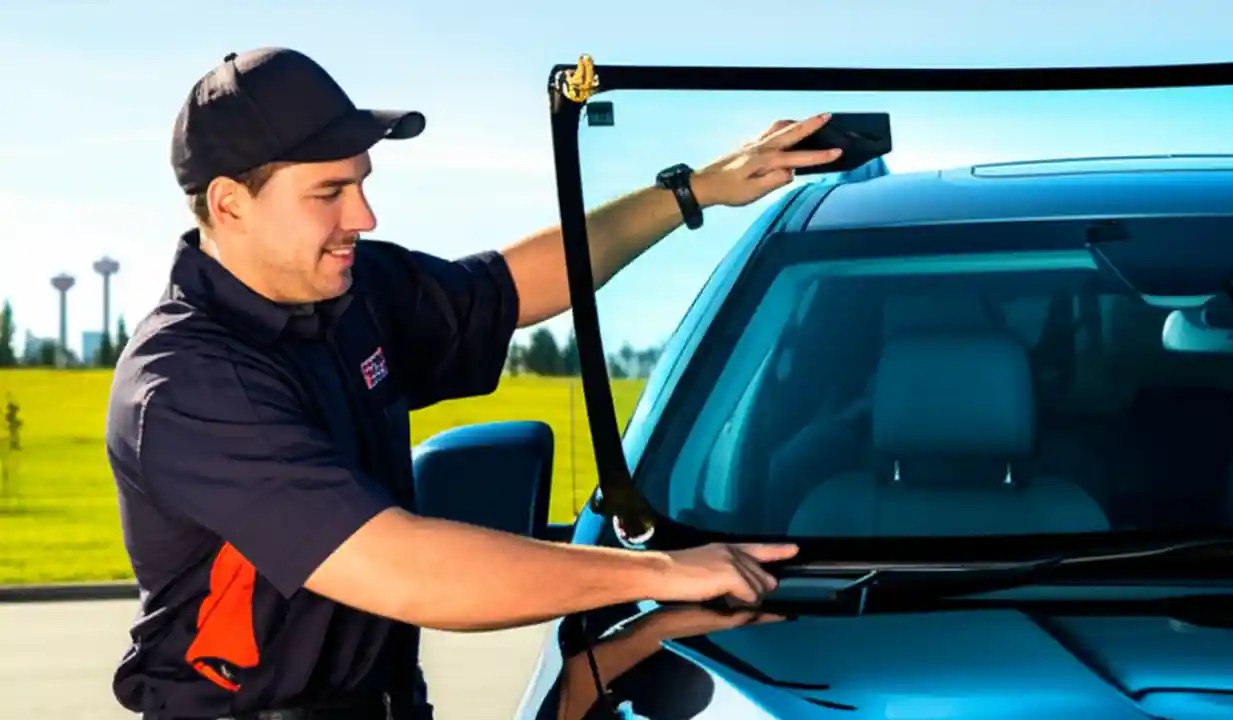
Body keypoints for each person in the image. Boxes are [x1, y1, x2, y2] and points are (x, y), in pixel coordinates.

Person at [105, 46, 843, 720]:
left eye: (362, 184)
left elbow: (517, 285)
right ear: (231, 203)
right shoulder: (187, 387)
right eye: (329, 192)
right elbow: (405, 570)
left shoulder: (352, 292)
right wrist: (660, 574)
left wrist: (693, 192)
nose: (363, 216)